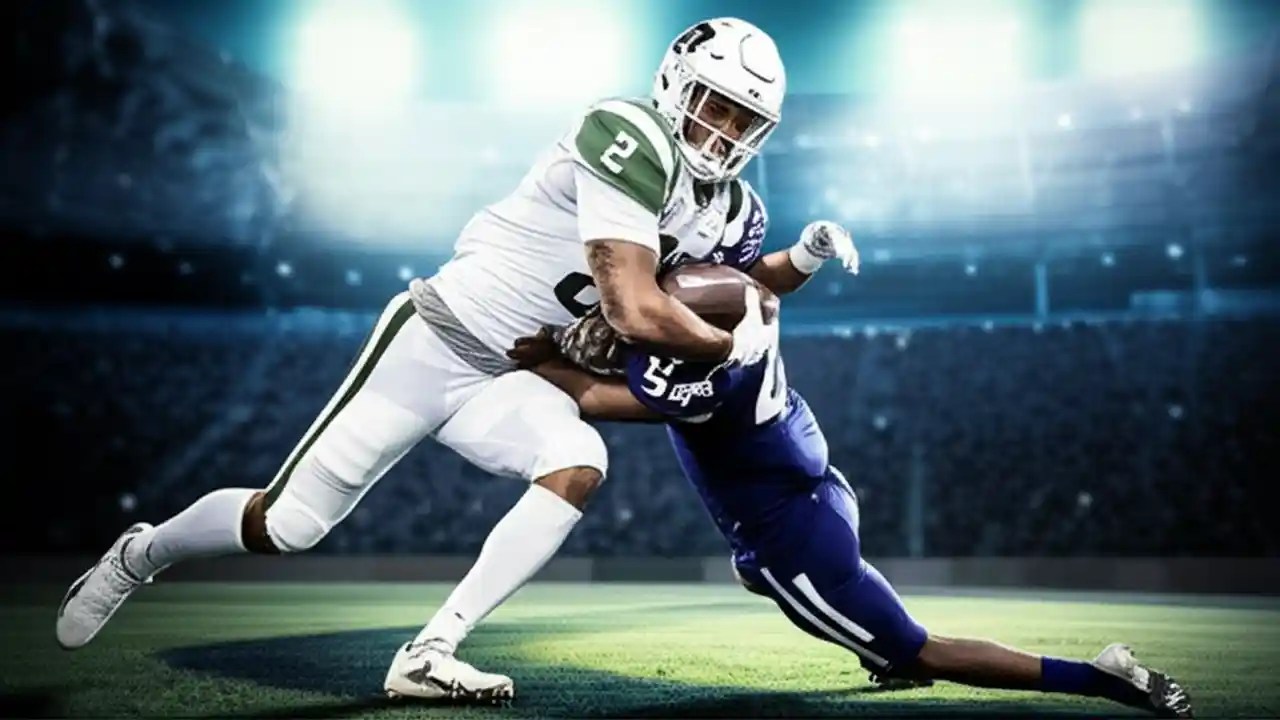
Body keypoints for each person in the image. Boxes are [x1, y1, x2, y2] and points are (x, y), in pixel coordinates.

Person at [55, 17, 859, 704]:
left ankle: (430, 651)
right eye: (715, 105)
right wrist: (729, 346)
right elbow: (633, 308)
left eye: (743, 119)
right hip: (436, 339)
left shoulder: (734, 207)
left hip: (516, 374)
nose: (723, 132)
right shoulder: (628, 133)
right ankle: (142, 553)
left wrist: (804, 256)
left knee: (578, 461)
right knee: (288, 526)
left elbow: (733, 287)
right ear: (675, 85)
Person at [509, 275, 1193, 718]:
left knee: (917, 649)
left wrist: (543, 357)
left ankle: (1101, 677)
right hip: (819, 493)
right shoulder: (744, 326)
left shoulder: (698, 389)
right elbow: (745, 292)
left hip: (793, 540)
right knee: (754, 575)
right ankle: (877, 649)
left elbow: (593, 394)